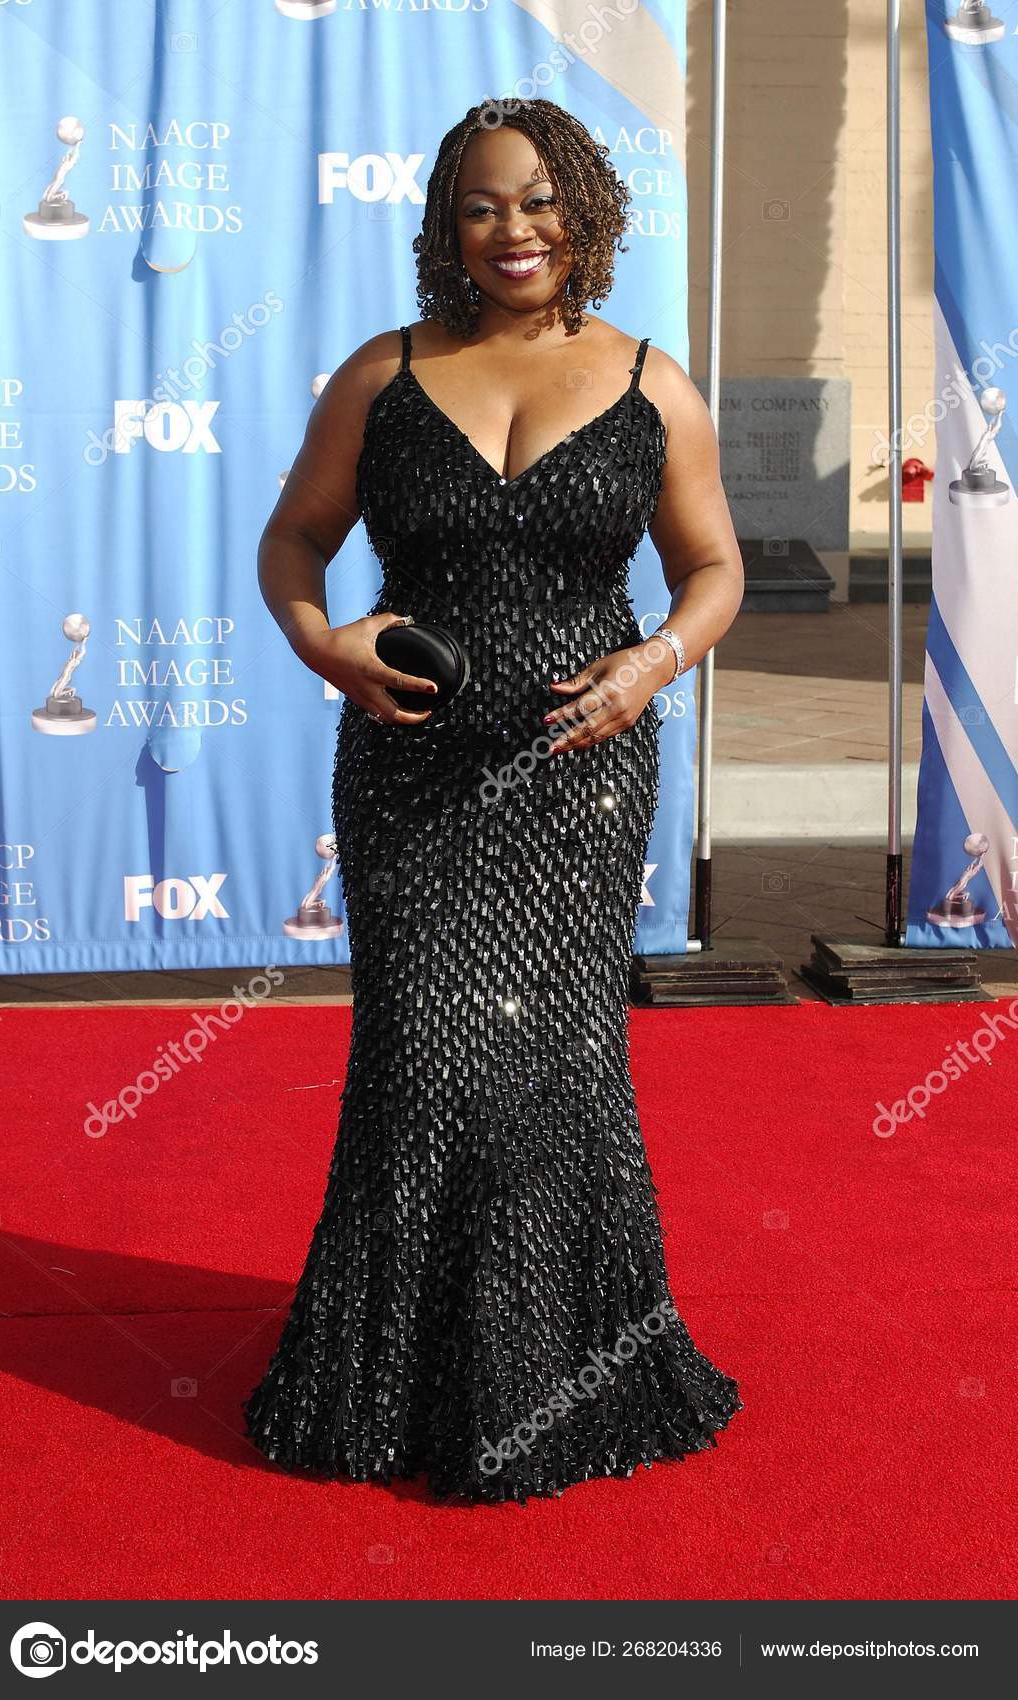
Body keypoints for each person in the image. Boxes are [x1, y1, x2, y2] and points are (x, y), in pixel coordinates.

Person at [243, 96, 745, 1503]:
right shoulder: (383, 376)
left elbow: (715, 571)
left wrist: (649, 666)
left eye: (536, 201)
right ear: (443, 225)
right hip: (409, 770)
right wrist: (323, 638)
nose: (511, 230)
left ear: (584, 210)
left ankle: (554, 1376)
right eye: (480, 205)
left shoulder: (653, 383)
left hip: (582, 778)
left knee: (558, 1071)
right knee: (417, 1062)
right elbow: (295, 537)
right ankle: (394, 1377)